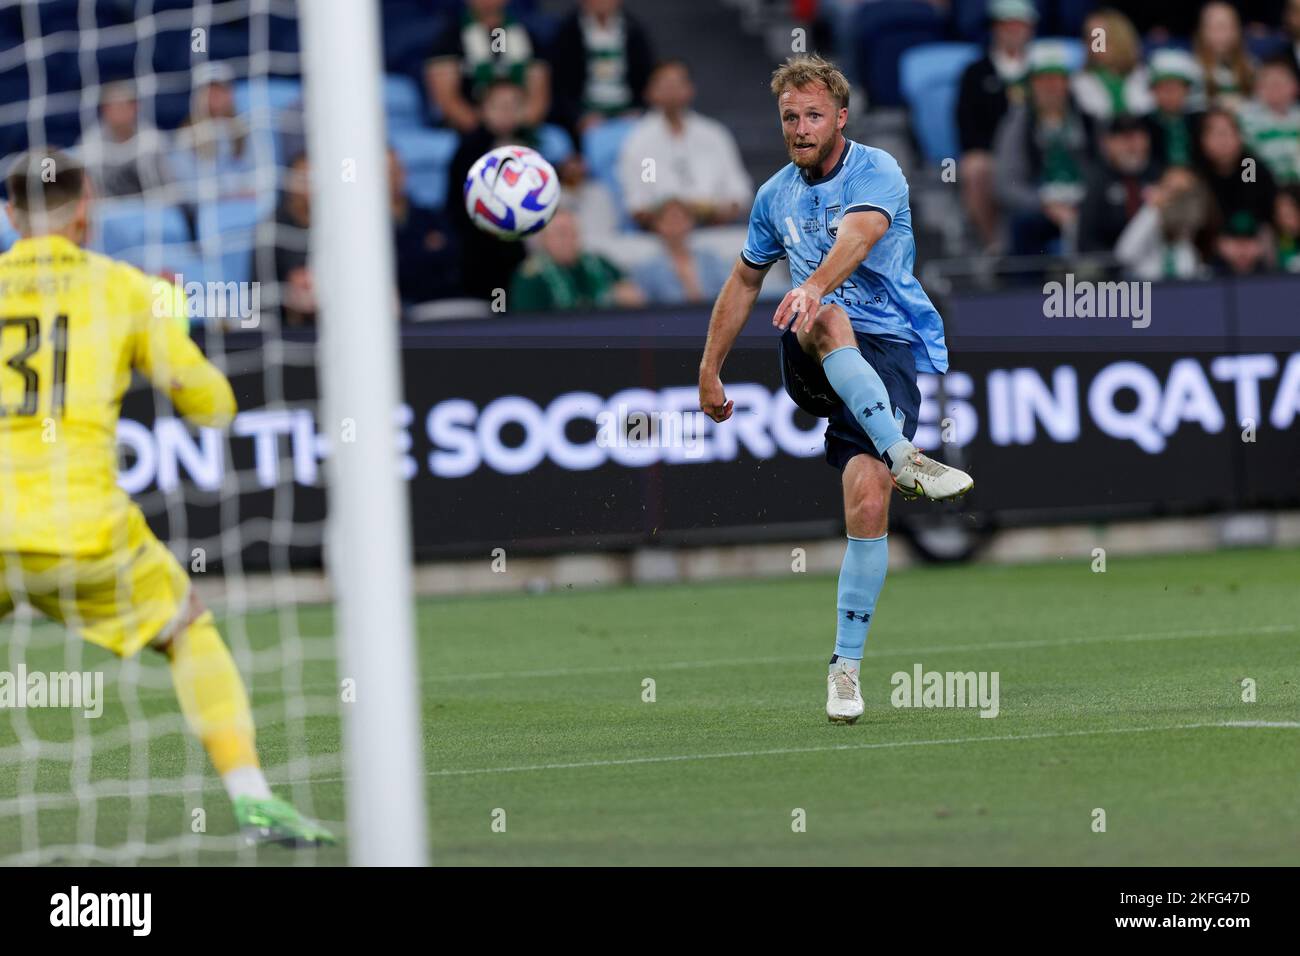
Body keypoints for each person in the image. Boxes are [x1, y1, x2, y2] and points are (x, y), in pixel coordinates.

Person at [0, 150, 333, 847]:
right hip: (82, 527)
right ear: (88, 204)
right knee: (187, 628)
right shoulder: (124, 288)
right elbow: (214, 407)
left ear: (8, 215)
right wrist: (172, 320)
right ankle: (254, 800)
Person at [695, 55, 973, 726]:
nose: (800, 127)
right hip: (810, 345)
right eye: (790, 116)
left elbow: (861, 232)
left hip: (886, 353)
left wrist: (815, 279)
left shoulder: (876, 169)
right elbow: (742, 281)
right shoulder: (773, 197)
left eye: (813, 114)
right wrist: (710, 367)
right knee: (823, 316)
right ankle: (907, 455)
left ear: (840, 117)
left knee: (868, 498)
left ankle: (844, 669)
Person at [617, 59, 752, 228]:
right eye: (665, 84)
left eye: (678, 83)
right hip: (659, 239)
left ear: (690, 89)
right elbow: (638, 203)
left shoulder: (714, 135)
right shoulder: (639, 141)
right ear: (650, 92)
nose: (672, 90)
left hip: (715, 232)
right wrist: (672, 215)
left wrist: (712, 210)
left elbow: (739, 193)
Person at [993, 40, 1096, 255]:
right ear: (1031, 85)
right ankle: (1025, 287)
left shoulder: (1088, 121)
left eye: (1057, 78)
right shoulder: (1016, 124)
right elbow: (1006, 184)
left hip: (1086, 201)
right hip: (1039, 204)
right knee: (1023, 223)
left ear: (1067, 83)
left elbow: (1104, 168)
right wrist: (1043, 203)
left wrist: (1088, 202)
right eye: (1043, 79)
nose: (1051, 86)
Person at [955, 0, 1037, 251]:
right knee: (974, 168)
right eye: (1006, 24)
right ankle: (995, 246)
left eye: (1019, 24)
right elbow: (966, 124)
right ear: (995, 28)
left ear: (1030, 28)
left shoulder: (1042, 71)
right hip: (993, 156)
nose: (1013, 30)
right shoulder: (975, 72)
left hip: (1037, 153)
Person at [426, 0, 550, 134]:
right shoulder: (448, 39)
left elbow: (538, 96)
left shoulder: (527, 36)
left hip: (521, 126)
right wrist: (482, 130)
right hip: (467, 130)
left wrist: (519, 127)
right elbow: (447, 100)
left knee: (556, 140)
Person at [546, 0, 654, 143]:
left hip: (628, 115)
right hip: (587, 118)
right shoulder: (567, 32)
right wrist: (579, 118)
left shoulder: (634, 30)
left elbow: (647, 79)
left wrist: (639, 109)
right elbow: (559, 86)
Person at [509, 206, 644, 310]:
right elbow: (527, 326)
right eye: (561, 233)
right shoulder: (531, 277)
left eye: (573, 232)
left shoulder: (599, 263)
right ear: (543, 239)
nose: (569, 239)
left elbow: (633, 295)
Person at [1078, 114, 1161, 253]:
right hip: (1109, 264)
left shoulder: (1158, 176)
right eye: (1123, 138)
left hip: (1155, 263)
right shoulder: (1097, 180)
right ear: (1107, 143)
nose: (1131, 145)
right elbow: (1085, 239)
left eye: (1137, 137)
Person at [76, 80, 171, 198]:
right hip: (107, 211)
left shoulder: (152, 140)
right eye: (114, 106)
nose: (120, 111)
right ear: (105, 110)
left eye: (124, 105)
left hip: (151, 209)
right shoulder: (90, 144)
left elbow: (167, 187)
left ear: (135, 107)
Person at [1115, 165, 1213, 280]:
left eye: (1182, 193)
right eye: (1170, 190)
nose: (1174, 199)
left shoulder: (1191, 246)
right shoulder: (1150, 217)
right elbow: (1124, 255)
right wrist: (1152, 209)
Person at [251, 151, 315, 326]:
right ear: (290, 182)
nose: (309, 186)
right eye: (303, 178)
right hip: (284, 322)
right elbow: (259, 288)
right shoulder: (271, 228)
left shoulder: (336, 224)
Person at [631, 198, 731, 304]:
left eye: (680, 219)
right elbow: (641, 302)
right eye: (669, 220)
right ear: (658, 225)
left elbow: (728, 291)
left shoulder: (710, 259)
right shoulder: (647, 267)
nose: (675, 225)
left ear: (690, 222)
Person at [1198, 106, 1278, 229]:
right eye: (1215, 134)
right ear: (1203, 139)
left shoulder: (1249, 165)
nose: (1222, 141)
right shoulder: (1197, 172)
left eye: (1227, 133)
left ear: (1239, 137)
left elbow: (1253, 205)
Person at [1071, 8, 1153, 122]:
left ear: (1120, 38)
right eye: (1090, 38)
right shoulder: (1078, 82)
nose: (1095, 45)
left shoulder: (1147, 76)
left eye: (1101, 37)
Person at [1237, 57, 1300, 185]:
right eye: (1268, 85)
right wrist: (1252, 187)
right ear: (1257, 89)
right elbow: (1246, 161)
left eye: (1280, 84)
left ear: (1295, 87)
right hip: (1264, 188)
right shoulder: (1246, 120)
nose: (1275, 90)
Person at [1143, 49, 1204, 169]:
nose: (1169, 94)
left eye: (1175, 88)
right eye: (1163, 88)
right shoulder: (1143, 125)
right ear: (1153, 91)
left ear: (1187, 91)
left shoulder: (1201, 122)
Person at [1193, 2, 1254, 109]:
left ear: (1237, 31)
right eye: (1214, 27)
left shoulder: (1252, 66)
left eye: (1227, 27)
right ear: (1202, 31)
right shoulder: (1191, 68)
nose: (1221, 34)